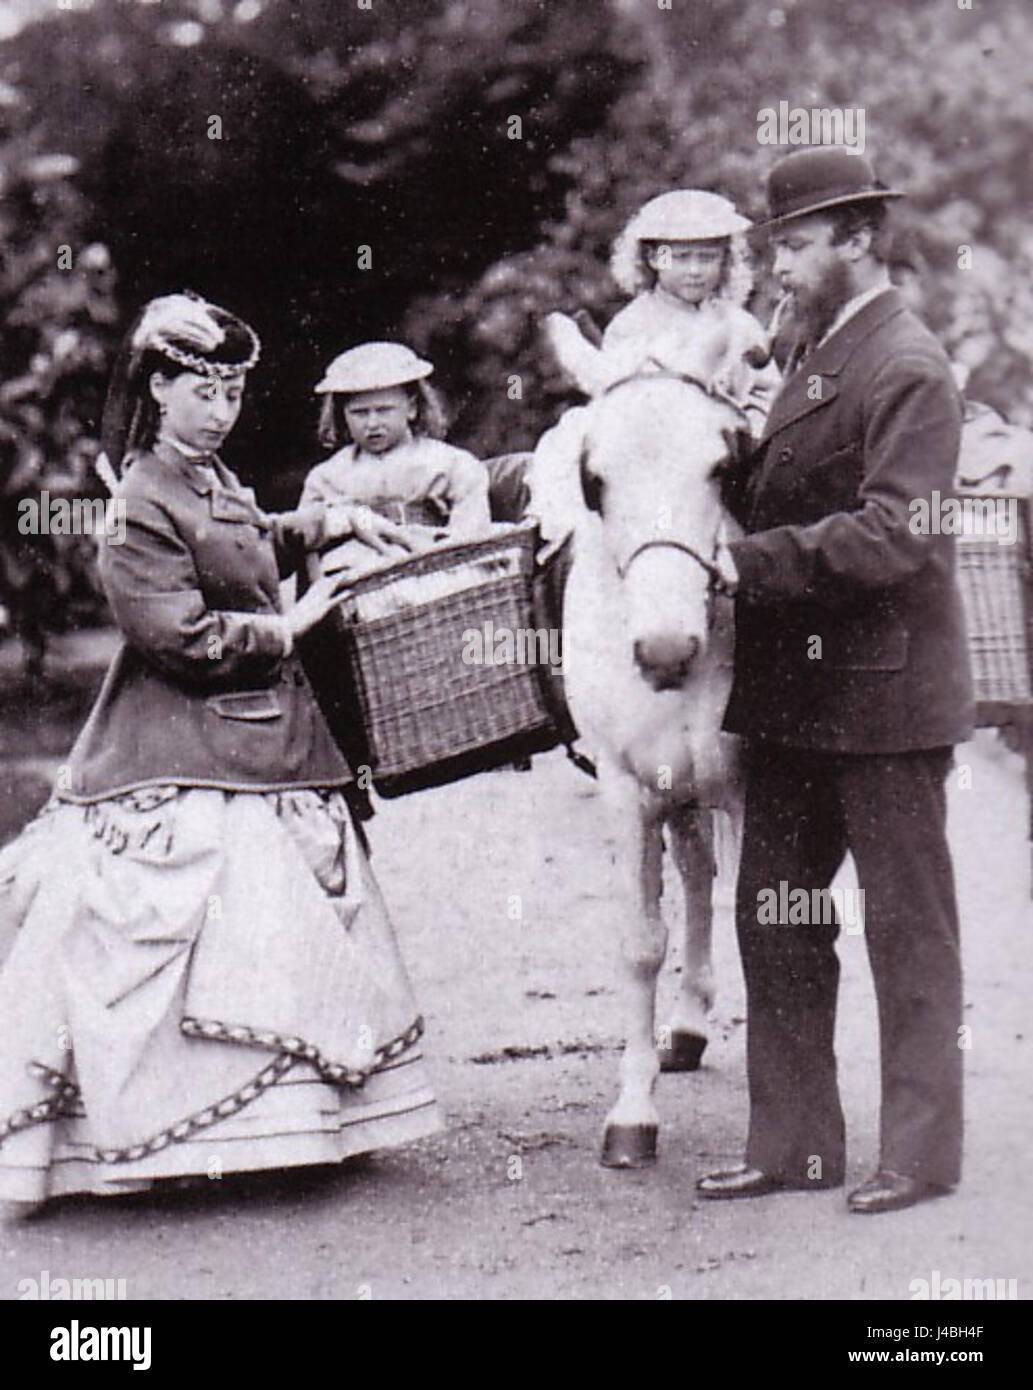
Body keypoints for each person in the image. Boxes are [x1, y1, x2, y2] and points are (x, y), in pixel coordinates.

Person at [0, 293, 442, 1210]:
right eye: (203, 391)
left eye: (233, 393)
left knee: (289, 926)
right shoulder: (135, 503)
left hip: (264, 740)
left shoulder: (208, 478)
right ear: (158, 389)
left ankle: (293, 1129)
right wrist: (290, 625)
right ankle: (183, 1136)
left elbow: (247, 544)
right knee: (197, 920)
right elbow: (181, 638)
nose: (221, 410)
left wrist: (330, 525)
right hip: (176, 750)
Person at [701, 147, 974, 1215]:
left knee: (906, 932)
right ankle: (797, 1145)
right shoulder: (805, 350)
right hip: (795, 701)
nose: (778, 266)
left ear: (859, 239)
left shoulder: (906, 363)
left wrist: (743, 563)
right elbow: (786, 483)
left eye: (797, 244)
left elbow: (899, 532)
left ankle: (919, 1154)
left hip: (886, 698)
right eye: (777, 245)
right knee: (775, 919)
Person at [531, 189, 779, 544]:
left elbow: (766, 395)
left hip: (735, 464)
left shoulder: (739, 324)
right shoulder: (633, 326)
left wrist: (747, 426)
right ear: (651, 258)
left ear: (726, 261)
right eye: (680, 258)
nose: (694, 270)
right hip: (664, 470)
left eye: (707, 258)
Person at [300, 341, 490, 575]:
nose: (372, 424)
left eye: (384, 410)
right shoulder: (326, 477)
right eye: (359, 413)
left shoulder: (452, 464)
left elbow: (472, 534)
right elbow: (306, 546)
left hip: (436, 572)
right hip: (357, 582)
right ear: (342, 415)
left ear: (411, 408)